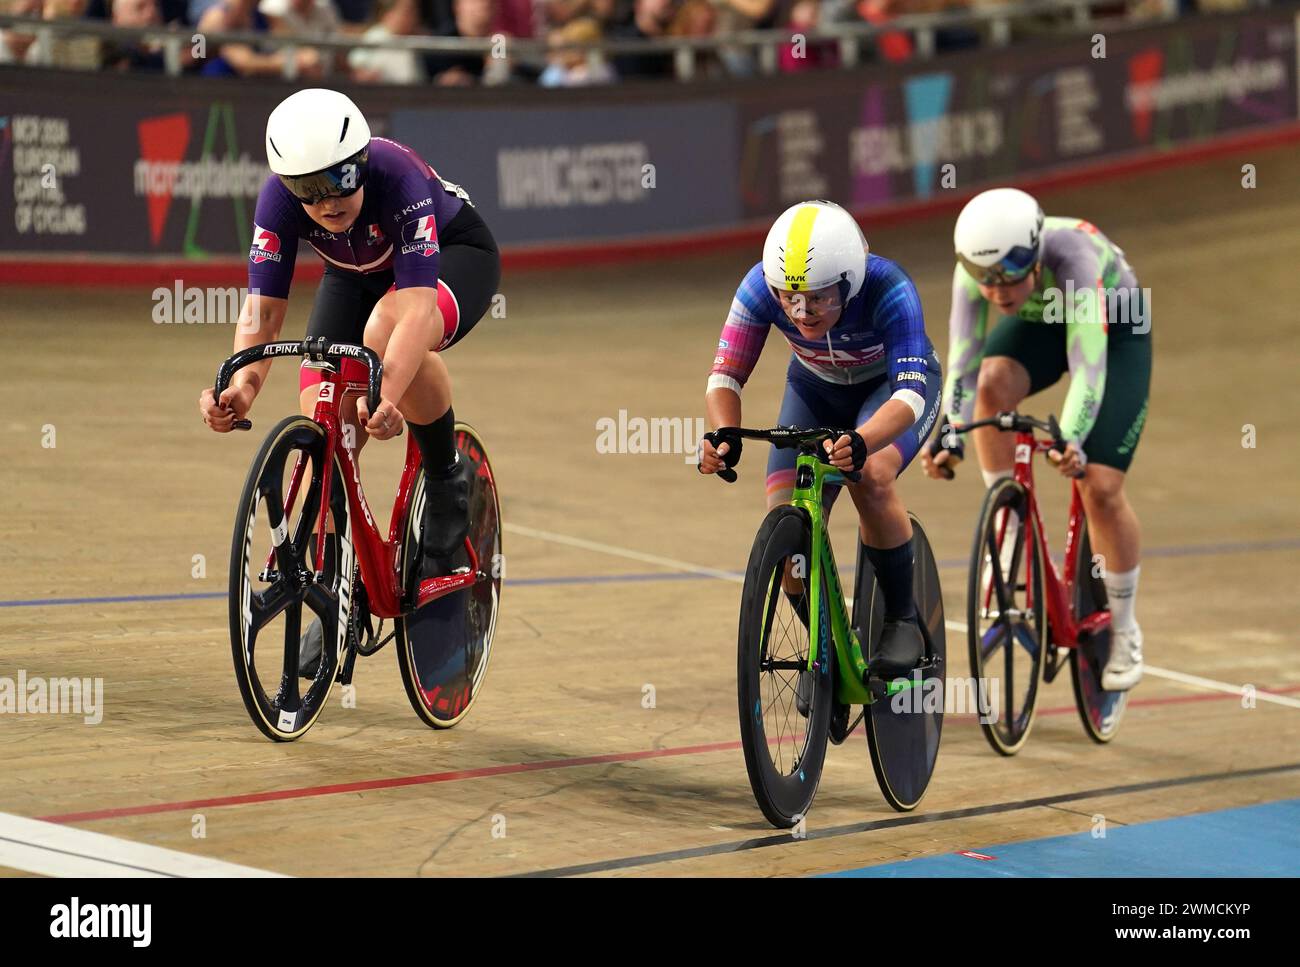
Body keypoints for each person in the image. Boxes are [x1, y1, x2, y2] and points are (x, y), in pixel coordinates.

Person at [198, 88, 501, 673]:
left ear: (360, 161)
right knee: (321, 419)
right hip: (355, 275)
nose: (325, 200)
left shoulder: (399, 176)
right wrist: (242, 388)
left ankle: (445, 478)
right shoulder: (278, 202)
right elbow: (263, 310)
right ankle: (342, 591)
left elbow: (413, 309)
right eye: (305, 189)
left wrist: (388, 396)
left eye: (338, 179)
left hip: (451, 259)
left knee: (386, 335)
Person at [699, 200, 943, 681]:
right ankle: (828, 645)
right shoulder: (758, 287)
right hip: (814, 387)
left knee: (870, 475)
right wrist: (722, 434)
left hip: (888, 392)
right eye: (789, 299)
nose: (802, 312)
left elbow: (910, 396)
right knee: (782, 519)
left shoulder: (889, 287)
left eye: (818, 298)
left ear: (850, 284)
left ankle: (903, 619)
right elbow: (725, 376)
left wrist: (862, 439)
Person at [921, 187, 1150, 691]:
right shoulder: (975, 274)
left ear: (1035, 252)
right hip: (1041, 322)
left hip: (1114, 327)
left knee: (1100, 487)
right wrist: (950, 434)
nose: (999, 291)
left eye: (1011, 272)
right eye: (987, 280)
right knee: (990, 388)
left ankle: (1126, 627)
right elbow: (962, 363)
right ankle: (1007, 537)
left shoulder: (1072, 257)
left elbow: (1088, 366)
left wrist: (1070, 438)